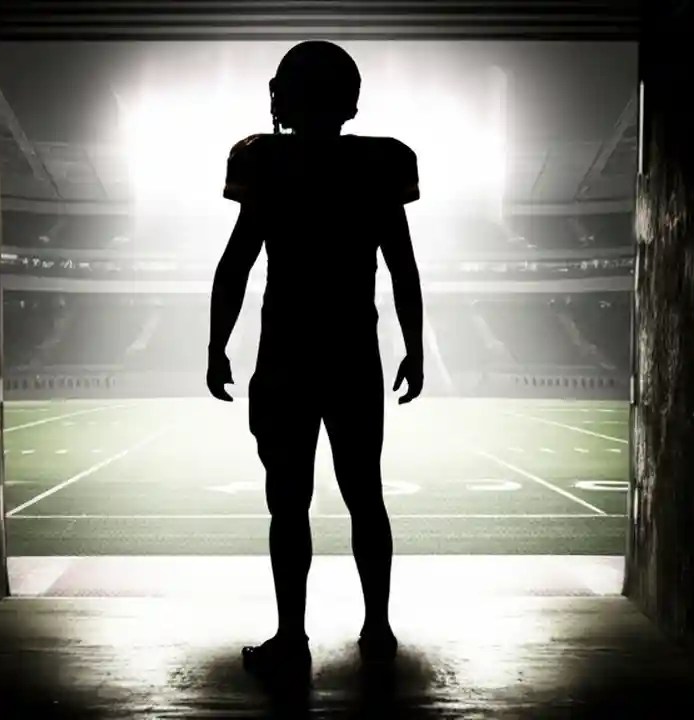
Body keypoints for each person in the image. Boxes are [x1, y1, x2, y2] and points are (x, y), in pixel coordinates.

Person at [205, 40, 424, 676]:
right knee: (365, 494)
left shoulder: (266, 162)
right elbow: (402, 267)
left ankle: (292, 635)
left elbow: (236, 263)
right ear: (348, 100)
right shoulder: (379, 164)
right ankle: (377, 627)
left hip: (288, 352)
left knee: (288, 501)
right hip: (352, 350)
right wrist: (413, 347)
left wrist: (217, 344)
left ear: (287, 96)